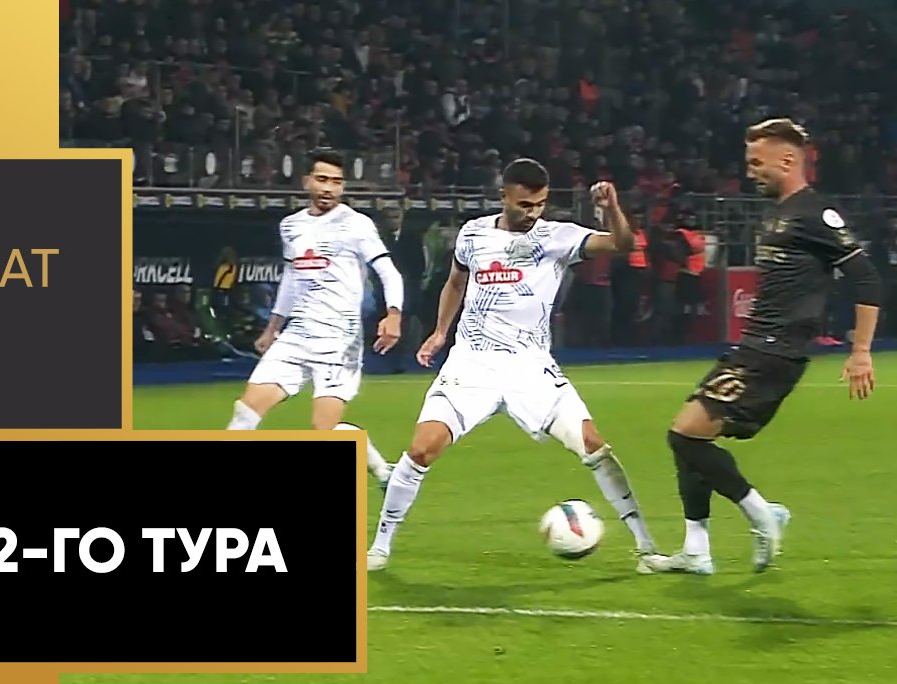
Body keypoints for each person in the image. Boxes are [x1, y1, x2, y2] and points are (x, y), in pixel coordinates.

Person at [367, 158, 660, 573]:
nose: (532, 212)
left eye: (539, 204)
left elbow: (623, 244)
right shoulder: (473, 234)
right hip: (472, 364)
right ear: (503, 194)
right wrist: (439, 332)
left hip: (530, 367)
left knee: (594, 445)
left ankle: (646, 548)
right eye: (524, 204)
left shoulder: (556, 236)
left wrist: (611, 207)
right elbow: (456, 281)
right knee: (420, 450)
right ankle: (379, 548)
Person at [643, 119, 881, 576]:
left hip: (774, 352)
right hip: (753, 346)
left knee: (684, 434)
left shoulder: (815, 214)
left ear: (787, 160)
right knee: (690, 439)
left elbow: (867, 279)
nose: (750, 171)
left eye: (757, 162)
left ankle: (761, 513)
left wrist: (861, 351)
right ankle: (696, 550)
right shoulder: (776, 214)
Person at [225, 148, 404, 485]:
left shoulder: (356, 225)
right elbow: (292, 278)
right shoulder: (291, 226)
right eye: (322, 179)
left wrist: (393, 314)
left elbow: (388, 272)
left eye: (336, 182)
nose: (329, 188)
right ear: (306, 181)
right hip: (296, 335)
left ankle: (382, 470)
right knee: (245, 411)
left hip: (339, 340)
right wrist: (273, 327)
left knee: (324, 431)